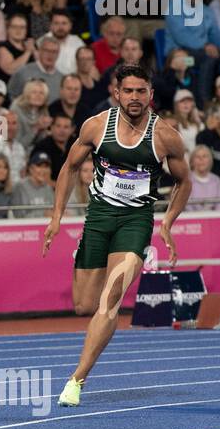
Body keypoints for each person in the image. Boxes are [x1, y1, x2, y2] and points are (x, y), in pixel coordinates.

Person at [42, 63, 191, 408]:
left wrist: (167, 222)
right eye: (129, 91)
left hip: (136, 221)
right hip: (98, 217)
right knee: (84, 305)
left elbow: (184, 181)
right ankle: (87, 350)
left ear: (151, 95)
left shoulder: (165, 135)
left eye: (142, 91)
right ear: (117, 93)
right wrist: (56, 218)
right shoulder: (95, 127)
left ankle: (76, 380)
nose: (135, 97)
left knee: (110, 300)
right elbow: (69, 168)